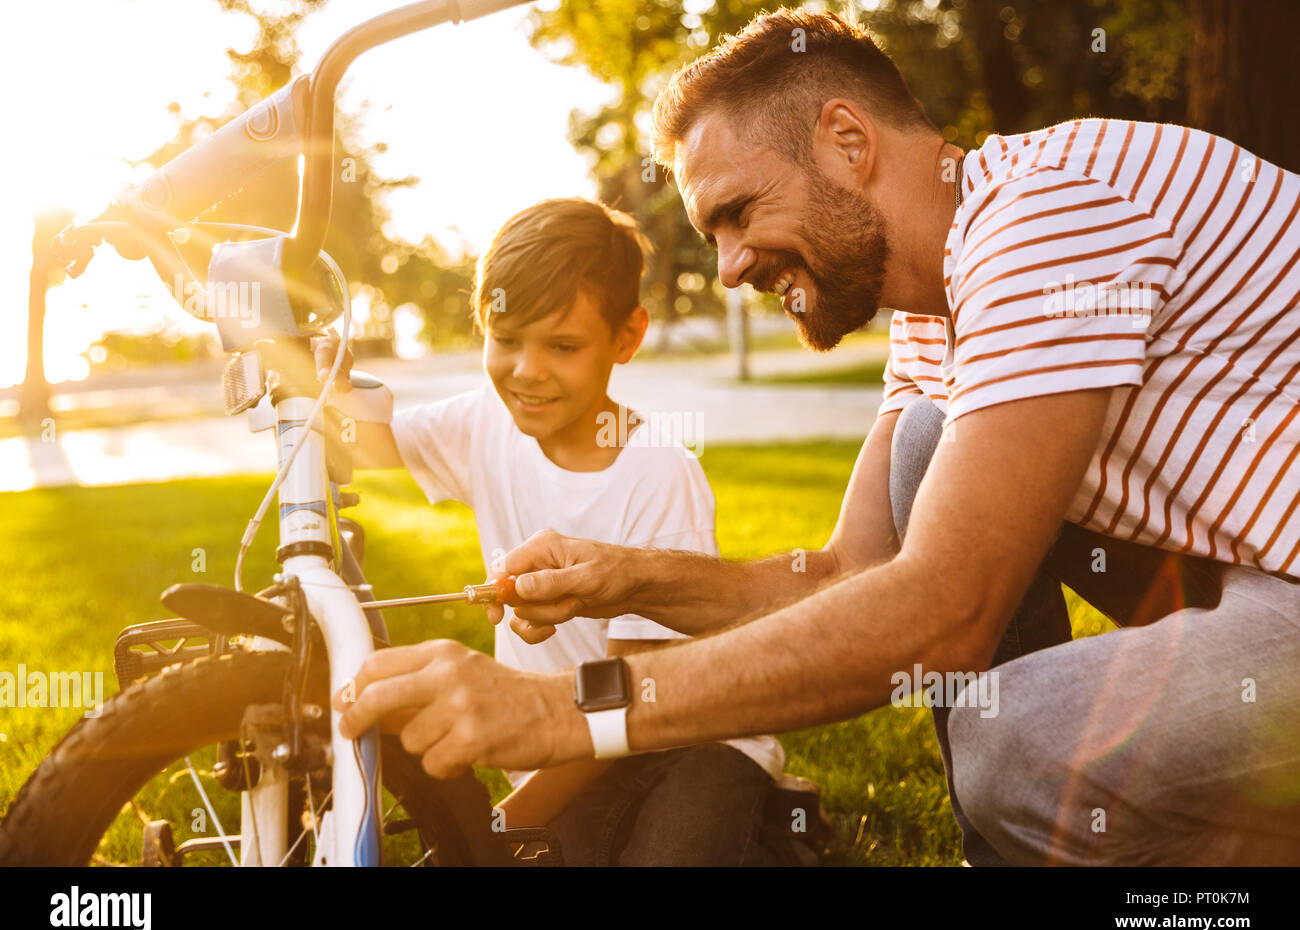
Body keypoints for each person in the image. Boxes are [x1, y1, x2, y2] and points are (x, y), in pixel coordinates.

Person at [334, 9, 1300, 865]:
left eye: (738, 214)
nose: (727, 268)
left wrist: (561, 709)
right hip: (1263, 580)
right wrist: (625, 575)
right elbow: (848, 578)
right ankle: (1013, 844)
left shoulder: (1048, 215)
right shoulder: (937, 308)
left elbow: (941, 612)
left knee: (1022, 750)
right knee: (926, 445)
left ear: (846, 139)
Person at [318, 197, 785, 865]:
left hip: (681, 741)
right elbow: (369, 441)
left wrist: (495, 831)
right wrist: (315, 379)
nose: (526, 371)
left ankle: (776, 828)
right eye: (505, 340)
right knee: (572, 845)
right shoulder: (486, 422)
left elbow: (634, 696)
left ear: (626, 338)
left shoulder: (658, 473)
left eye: (561, 346)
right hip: (566, 754)